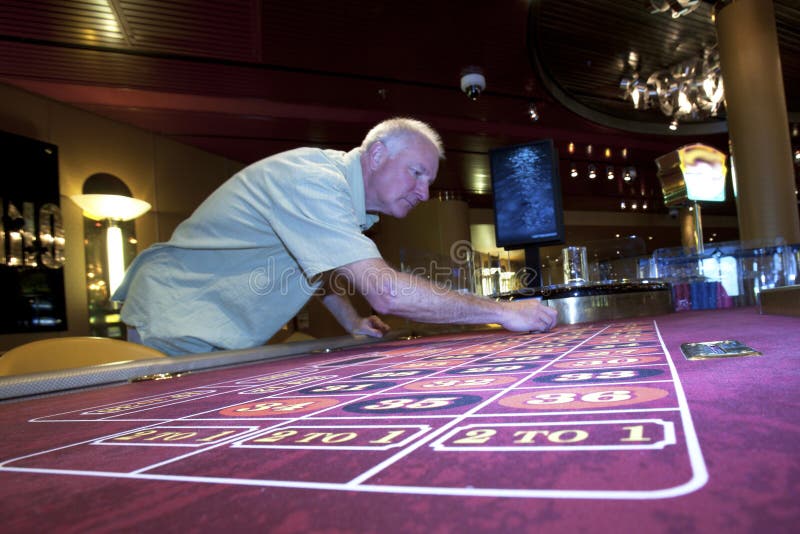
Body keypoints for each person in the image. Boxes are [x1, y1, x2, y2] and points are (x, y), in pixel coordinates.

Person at [114, 117, 557, 355]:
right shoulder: (313, 181)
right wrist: (501, 312)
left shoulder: (344, 201)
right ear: (378, 153)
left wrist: (351, 322)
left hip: (207, 328)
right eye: (417, 173)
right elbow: (386, 293)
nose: (424, 192)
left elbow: (313, 267)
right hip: (175, 323)